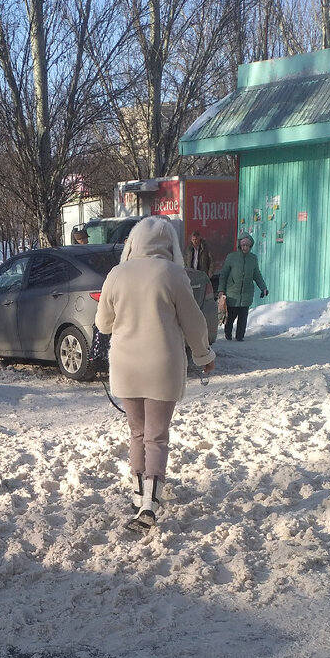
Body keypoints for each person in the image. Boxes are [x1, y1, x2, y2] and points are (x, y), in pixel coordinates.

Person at [95, 215, 214, 532]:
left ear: (133, 243)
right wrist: (204, 355)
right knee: (156, 435)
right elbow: (194, 323)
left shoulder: (117, 274)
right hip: (162, 365)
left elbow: (103, 324)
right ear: (168, 243)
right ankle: (149, 503)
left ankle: (137, 495)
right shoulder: (174, 274)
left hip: (126, 366)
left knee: (136, 432)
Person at [218, 232, 268, 341]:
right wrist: (221, 289)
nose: (245, 247)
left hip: (246, 293)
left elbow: (257, 275)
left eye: (247, 245)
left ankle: (240, 337)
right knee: (231, 317)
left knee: (243, 317)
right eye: (243, 245)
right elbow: (224, 274)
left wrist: (263, 288)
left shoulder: (253, 258)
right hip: (232, 294)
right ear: (240, 246)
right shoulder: (231, 257)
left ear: (250, 246)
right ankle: (228, 334)